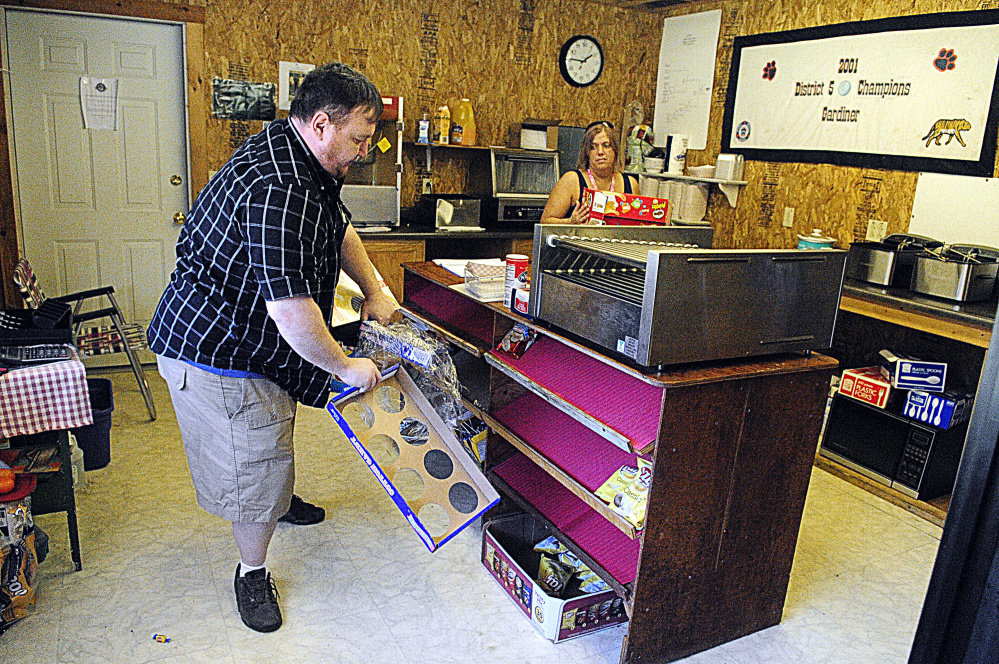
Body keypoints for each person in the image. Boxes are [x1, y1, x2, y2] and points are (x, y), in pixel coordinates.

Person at [146, 63, 397, 633]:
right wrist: (345, 365)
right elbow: (289, 310)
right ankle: (251, 570)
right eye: (358, 138)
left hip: (251, 335)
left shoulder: (304, 158)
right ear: (322, 123)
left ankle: (276, 499)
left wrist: (374, 291)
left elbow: (339, 228)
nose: (362, 151)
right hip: (216, 347)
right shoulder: (279, 185)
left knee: (271, 428)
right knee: (253, 455)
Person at [540, 121, 639, 225]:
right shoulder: (571, 180)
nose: (600, 152)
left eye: (606, 145)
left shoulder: (631, 184)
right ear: (587, 153)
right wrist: (570, 222)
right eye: (593, 147)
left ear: (615, 149)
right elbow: (545, 222)